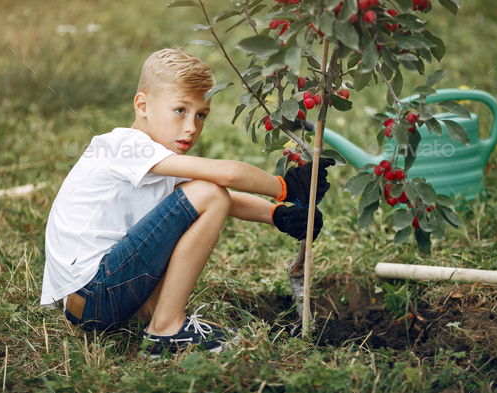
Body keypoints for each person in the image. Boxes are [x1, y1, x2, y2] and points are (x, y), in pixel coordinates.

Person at [40, 48, 334, 357]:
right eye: (180, 110)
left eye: (201, 114)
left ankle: (160, 316)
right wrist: (284, 187)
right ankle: (165, 330)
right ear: (143, 105)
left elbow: (228, 199)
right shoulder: (125, 147)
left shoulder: (159, 159)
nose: (191, 127)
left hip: (92, 299)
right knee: (209, 194)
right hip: (95, 291)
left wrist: (278, 215)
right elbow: (226, 177)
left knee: (206, 195)